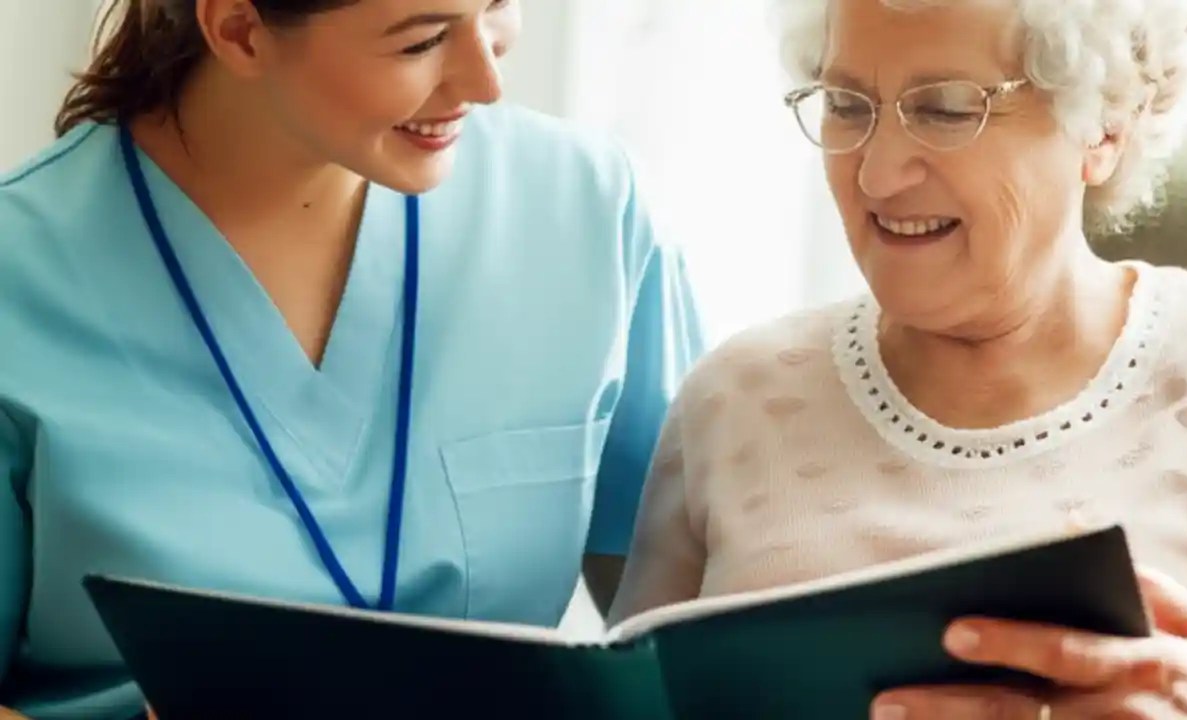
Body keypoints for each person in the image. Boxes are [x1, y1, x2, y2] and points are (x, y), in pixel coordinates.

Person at [0, 0, 704, 717]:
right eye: (422, 41)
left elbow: (690, 643)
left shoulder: (590, 208)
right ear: (241, 31)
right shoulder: (18, 283)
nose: (486, 82)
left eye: (497, 5)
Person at [608, 0, 1187, 717]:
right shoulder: (732, 398)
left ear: (1104, 126)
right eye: (846, 104)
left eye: (950, 110)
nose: (878, 176)